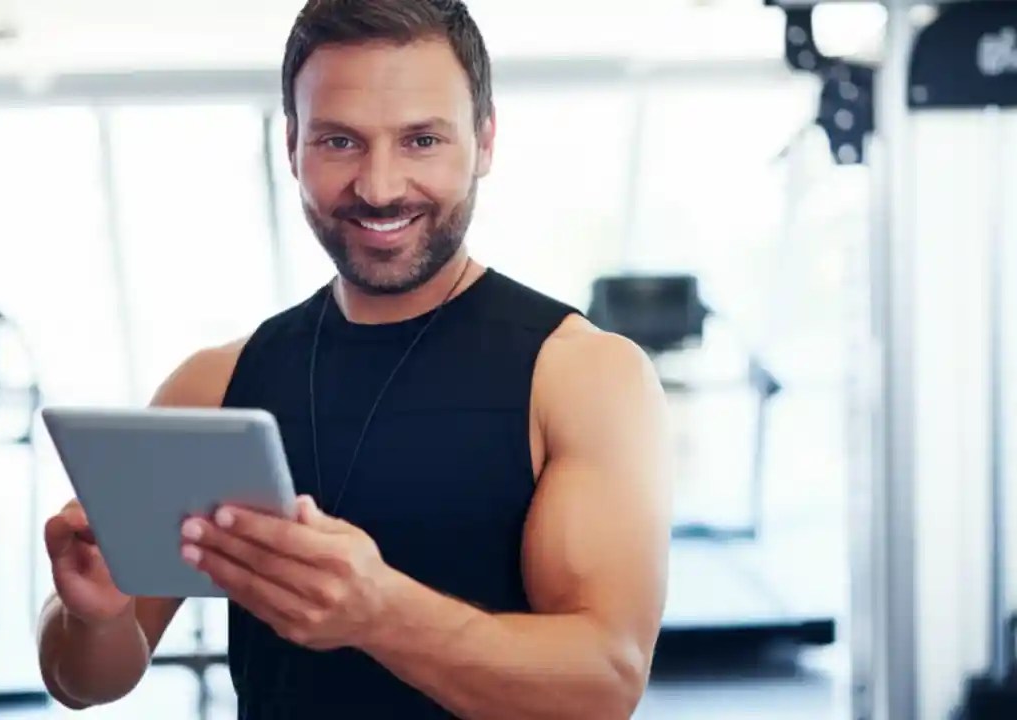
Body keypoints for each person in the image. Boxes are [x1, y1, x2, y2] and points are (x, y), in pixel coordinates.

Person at [36, 1, 672, 717]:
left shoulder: (583, 376)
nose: (380, 187)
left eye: (422, 141)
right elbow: (86, 683)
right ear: (292, 146)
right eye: (340, 142)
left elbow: (604, 684)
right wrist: (93, 617)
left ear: (485, 141)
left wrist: (381, 614)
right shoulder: (214, 385)